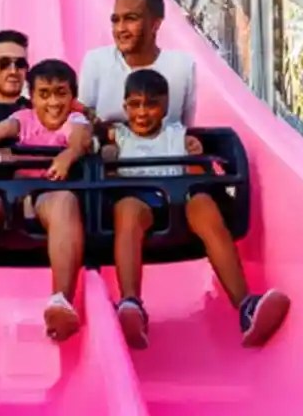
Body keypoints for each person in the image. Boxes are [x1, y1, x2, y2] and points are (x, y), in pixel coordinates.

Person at [102, 69, 290, 349]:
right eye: (135, 104)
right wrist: (104, 152)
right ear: (125, 106)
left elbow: (200, 173)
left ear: (165, 106)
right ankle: (131, 303)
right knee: (127, 209)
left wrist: (197, 158)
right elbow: (85, 125)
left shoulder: (178, 136)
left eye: (151, 104)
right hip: (141, 203)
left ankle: (246, 306)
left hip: (177, 202)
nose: (142, 112)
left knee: (203, 205)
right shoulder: (118, 136)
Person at [0, 59, 91, 343]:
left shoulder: (74, 121)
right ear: (32, 98)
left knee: (64, 201)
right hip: (12, 195)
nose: (53, 102)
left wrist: (68, 155)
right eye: (44, 94)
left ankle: (61, 300)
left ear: (72, 97)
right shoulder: (23, 119)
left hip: (47, 196)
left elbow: (80, 139)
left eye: (61, 93)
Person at [79, 0, 196, 127]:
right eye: (115, 20)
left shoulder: (182, 66)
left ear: (155, 24)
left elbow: (186, 129)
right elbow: (81, 121)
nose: (121, 29)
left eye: (131, 19)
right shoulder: (96, 61)